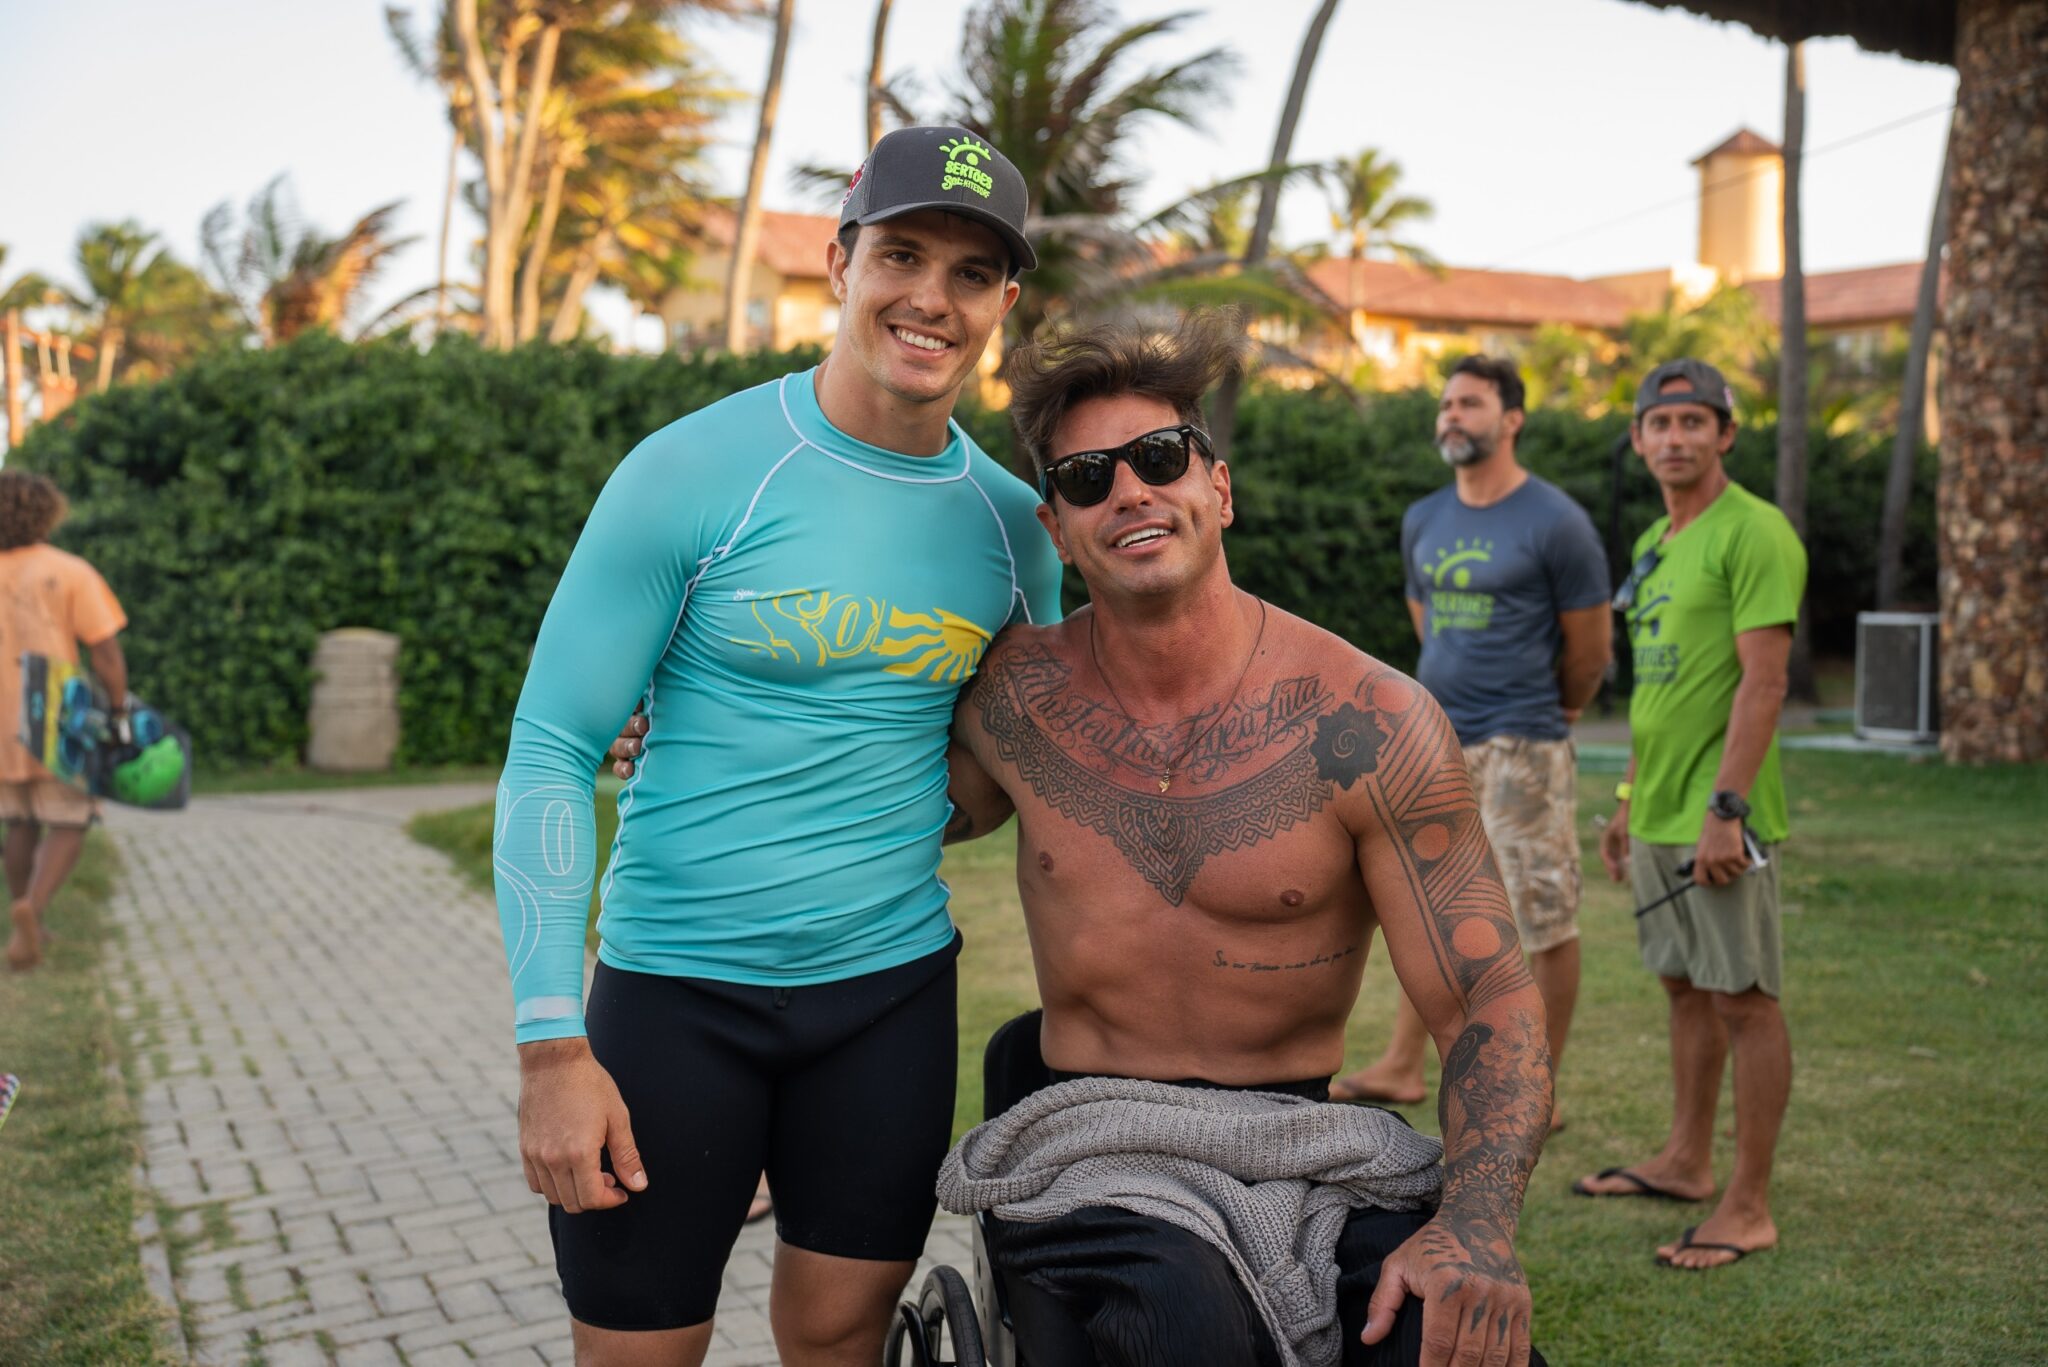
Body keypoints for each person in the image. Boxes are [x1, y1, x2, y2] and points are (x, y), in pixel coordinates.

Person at [495, 125, 1061, 1366]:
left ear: (1004, 304)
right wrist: (550, 1047)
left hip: (888, 997)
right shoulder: (694, 469)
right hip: (672, 994)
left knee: (838, 1339)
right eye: (901, 254)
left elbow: (1024, 753)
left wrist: (940, 794)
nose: (931, 297)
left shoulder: (1013, 528)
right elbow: (549, 747)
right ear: (838, 264)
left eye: (971, 274)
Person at [938, 314, 1551, 1366]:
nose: (1128, 490)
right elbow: (863, 803)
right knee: (1185, 1324)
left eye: (1159, 457)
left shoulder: (1370, 721)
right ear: (1055, 525)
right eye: (1087, 478)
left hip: (1312, 1143)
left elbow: (1485, 996)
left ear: (1217, 487)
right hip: (1091, 1141)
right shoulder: (1009, 702)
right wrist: (685, 727)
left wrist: (1477, 1224)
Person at [1332, 357, 1610, 1130]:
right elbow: (1427, 618)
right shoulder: (1424, 517)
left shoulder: (1557, 522)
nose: (1452, 416)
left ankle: (1535, 1085)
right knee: (1428, 908)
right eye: (1447, 404)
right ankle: (1401, 1063)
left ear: (1512, 419)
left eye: (1472, 404)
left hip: (1523, 745)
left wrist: (1556, 710)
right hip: (1432, 743)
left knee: (1542, 914)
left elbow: (1589, 647)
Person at [1572, 358, 1805, 1273]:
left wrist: (1726, 810)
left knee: (1744, 999)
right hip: (1662, 808)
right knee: (1683, 988)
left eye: (1692, 422)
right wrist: (1630, 799)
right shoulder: (1657, 544)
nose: (1675, 438)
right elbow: (1657, 693)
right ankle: (1686, 1158)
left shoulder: (1756, 531)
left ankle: (1748, 1204)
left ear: (1725, 433)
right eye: (1658, 424)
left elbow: (1766, 679)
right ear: (1638, 439)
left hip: (1717, 813)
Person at [1, 470, 129, 973]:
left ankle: (22, 920)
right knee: (71, 819)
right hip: (53, 711)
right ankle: (33, 907)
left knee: (19, 820)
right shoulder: (69, 571)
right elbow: (106, 651)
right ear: (47, 514)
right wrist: (118, 712)